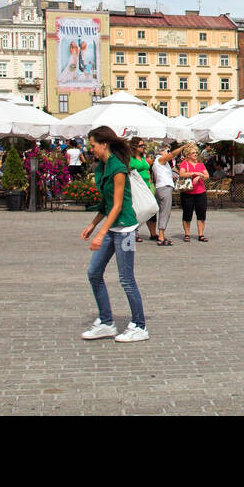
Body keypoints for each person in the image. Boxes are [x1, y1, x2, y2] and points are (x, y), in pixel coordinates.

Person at [81, 125, 148, 342]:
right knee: (94, 273)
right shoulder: (102, 166)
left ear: (104, 144)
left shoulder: (118, 168)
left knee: (126, 279)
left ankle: (139, 326)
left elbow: (118, 205)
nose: (91, 149)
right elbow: (107, 203)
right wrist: (93, 224)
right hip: (111, 227)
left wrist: (100, 234)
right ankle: (106, 322)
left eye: (93, 145)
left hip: (125, 231)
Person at [150, 141, 181, 246]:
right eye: (167, 150)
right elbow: (172, 155)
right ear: (162, 151)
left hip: (161, 186)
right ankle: (161, 235)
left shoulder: (162, 162)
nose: (169, 152)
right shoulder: (160, 159)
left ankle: (160, 234)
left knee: (162, 210)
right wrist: (183, 147)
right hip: (164, 187)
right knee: (165, 212)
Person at [178, 144, 209, 243]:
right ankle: (187, 233)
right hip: (188, 192)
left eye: (196, 153)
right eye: (193, 153)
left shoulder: (200, 164)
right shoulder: (184, 164)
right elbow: (181, 174)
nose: (195, 154)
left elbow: (207, 175)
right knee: (187, 213)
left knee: (201, 213)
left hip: (200, 192)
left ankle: (201, 234)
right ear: (188, 155)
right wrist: (195, 173)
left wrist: (200, 177)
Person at [128, 138, 157, 242]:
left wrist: (150, 181)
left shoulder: (142, 157)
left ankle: (153, 233)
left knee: (152, 208)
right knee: (137, 209)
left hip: (147, 186)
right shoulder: (130, 159)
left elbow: (147, 169)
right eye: (141, 145)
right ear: (134, 146)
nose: (143, 147)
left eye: (143, 145)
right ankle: (135, 232)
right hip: (136, 187)